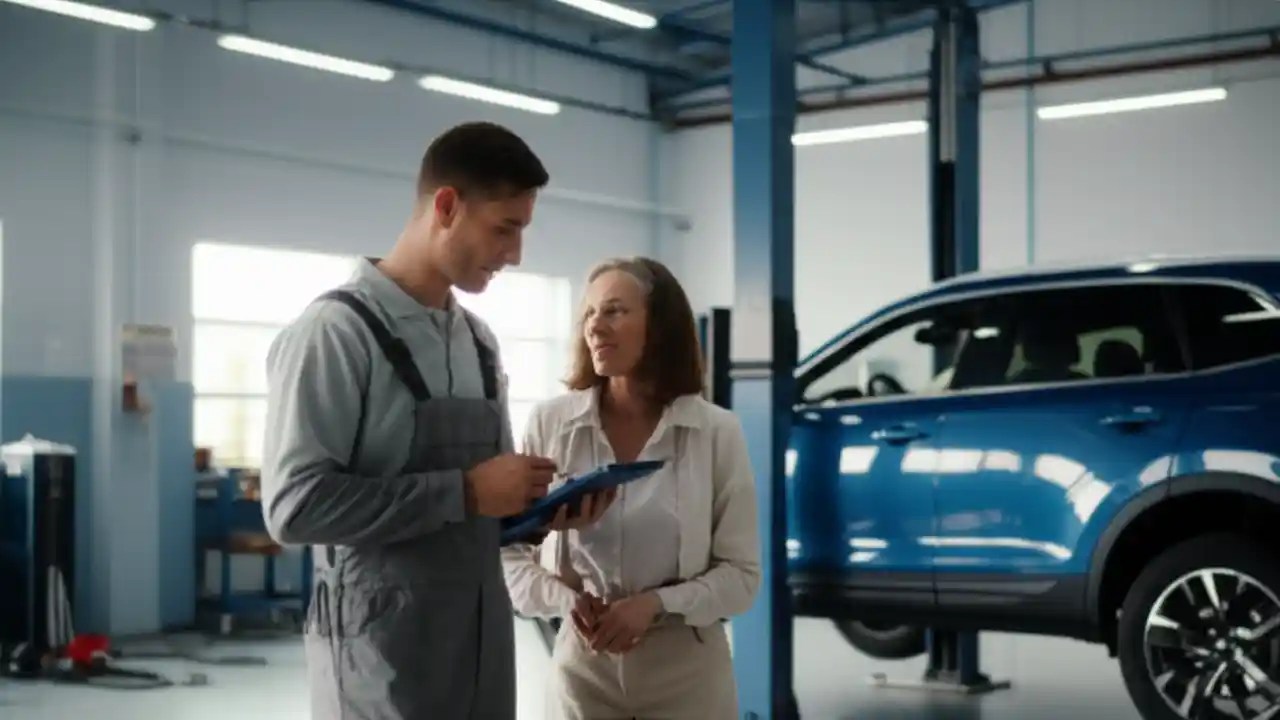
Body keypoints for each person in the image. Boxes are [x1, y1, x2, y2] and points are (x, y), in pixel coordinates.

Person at [260, 122, 608, 720]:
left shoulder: (478, 342)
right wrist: (466, 491)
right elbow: (294, 508)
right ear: (446, 207)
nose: (515, 254)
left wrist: (538, 516)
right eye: (504, 228)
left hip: (479, 653)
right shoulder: (335, 334)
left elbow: (477, 515)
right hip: (379, 662)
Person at [502, 257, 762, 719]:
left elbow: (742, 576)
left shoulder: (716, 432)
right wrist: (567, 601)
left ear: (659, 326)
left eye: (615, 311)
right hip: (583, 665)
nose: (595, 326)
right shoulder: (551, 423)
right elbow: (510, 553)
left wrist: (655, 604)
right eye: (589, 313)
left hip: (687, 672)